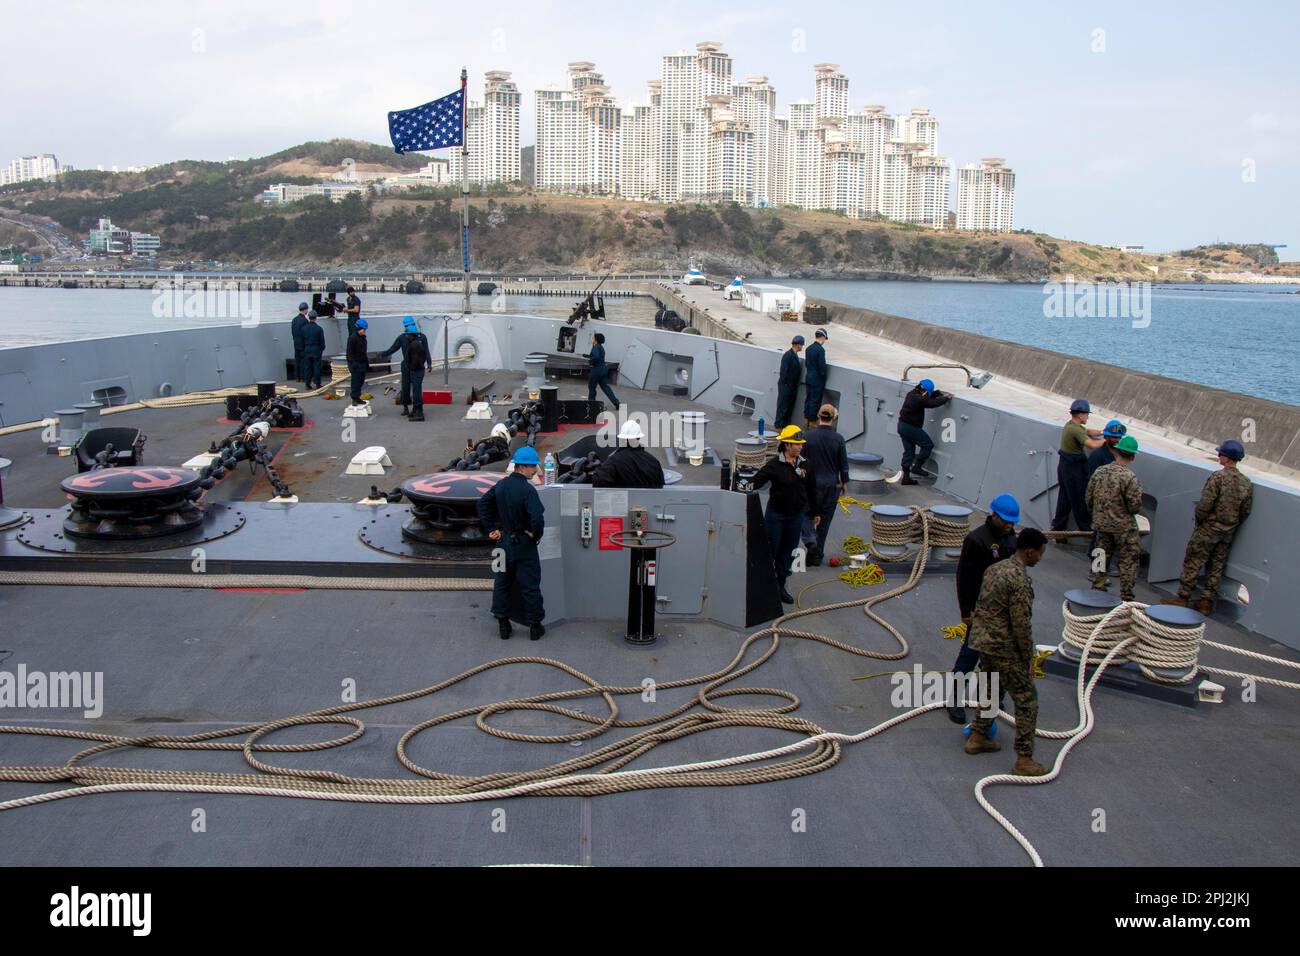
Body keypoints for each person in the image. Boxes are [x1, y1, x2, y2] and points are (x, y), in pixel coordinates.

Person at [964, 527, 1050, 777]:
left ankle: (978, 736)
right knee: (1026, 699)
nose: (1040, 558)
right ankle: (1024, 759)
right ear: (1030, 552)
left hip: (983, 642)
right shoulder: (1019, 580)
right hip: (1004, 647)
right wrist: (1028, 659)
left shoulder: (995, 568)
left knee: (992, 687)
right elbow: (1021, 624)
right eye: (1040, 553)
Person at [946, 493, 1020, 724]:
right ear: (994, 515)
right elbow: (964, 578)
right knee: (970, 654)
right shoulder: (976, 540)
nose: (1009, 525)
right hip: (981, 610)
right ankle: (955, 699)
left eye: (1012, 522)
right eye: (1005, 520)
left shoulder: (1011, 539)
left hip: (1004, 610)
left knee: (998, 656)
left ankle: (991, 695)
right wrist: (966, 611)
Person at [1164, 439, 1253, 615]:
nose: (1218, 456)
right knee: (1216, 566)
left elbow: (1205, 504)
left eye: (1220, 453)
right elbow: (1245, 510)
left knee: (1194, 560)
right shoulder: (1246, 482)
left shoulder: (1218, 477)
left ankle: (1182, 598)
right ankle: (1206, 602)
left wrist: (1201, 520)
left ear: (1226, 458)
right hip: (1228, 532)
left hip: (1209, 528)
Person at [477, 446, 547, 641]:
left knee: (501, 583)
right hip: (524, 545)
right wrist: (535, 535)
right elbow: (537, 518)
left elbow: (482, 504)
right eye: (533, 466)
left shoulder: (501, 486)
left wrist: (491, 528)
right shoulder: (528, 490)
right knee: (530, 585)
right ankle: (535, 626)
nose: (535, 470)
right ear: (523, 467)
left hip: (502, 543)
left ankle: (503, 624)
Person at [751, 425, 819, 605]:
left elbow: (811, 489)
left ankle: (780, 586)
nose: (800, 447)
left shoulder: (805, 464)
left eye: (801, 444)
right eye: (796, 444)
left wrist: (815, 512)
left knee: (787, 553)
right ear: (786, 445)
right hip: (776, 516)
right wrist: (742, 480)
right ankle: (763, 587)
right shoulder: (774, 465)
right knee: (769, 550)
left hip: (796, 517)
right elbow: (756, 482)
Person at [1085, 435, 1143, 602]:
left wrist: (1098, 516)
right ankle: (1126, 596)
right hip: (1123, 527)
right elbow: (1134, 506)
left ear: (1117, 451)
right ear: (1132, 456)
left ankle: (1097, 586)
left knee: (1100, 554)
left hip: (1101, 525)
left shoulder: (1100, 471)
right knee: (1128, 560)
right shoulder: (1130, 478)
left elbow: (1089, 497)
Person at [800, 403, 848, 566]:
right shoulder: (838, 439)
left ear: (819, 417)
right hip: (831, 485)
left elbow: (801, 462)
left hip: (811, 485)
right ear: (834, 419)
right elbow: (843, 464)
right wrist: (844, 482)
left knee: (806, 514)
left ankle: (809, 542)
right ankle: (817, 555)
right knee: (825, 520)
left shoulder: (808, 436)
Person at [1051, 399, 1104, 533]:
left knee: (1065, 498)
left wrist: (1104, 432)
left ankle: (1058, 527)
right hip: (1073, 469)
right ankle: (1085, 528)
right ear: (1080, 415)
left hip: (1064, 466)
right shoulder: (1076, 430)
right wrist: (1108, 439)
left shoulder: (1071, 425)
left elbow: (1088, 432)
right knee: (1078, 498)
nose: (1087, 416)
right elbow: (1092, 445)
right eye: (1086, 414)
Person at [897, 379, 952, 485]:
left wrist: (936, 393)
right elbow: (932, 403)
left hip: (902, 426)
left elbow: (926, 399)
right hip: (911, 428)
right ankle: (917, 467)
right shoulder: (919, 399)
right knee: (927, 445)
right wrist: (946, 398)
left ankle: (906, 478)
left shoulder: (911, 394)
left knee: (909, 453)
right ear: (925, 391)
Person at [381, 316, 432, 417]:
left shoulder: (407, 337)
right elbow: (426, 351)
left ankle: (411, 408)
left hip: (412, 366)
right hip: (411, 366)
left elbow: (393, 348)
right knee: (409, 387)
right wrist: (429, 363)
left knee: (409, 387)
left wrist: (383, 354)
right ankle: (409, 407)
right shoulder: (420, 337)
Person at [592, 420, 665, 488]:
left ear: (622, 439)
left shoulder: (614, 461)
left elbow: (598, 481)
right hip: (648, 500)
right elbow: (660, 485)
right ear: (639, 437)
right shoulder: (653, 461)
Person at [775, 335, 804, 429]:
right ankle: (779, 427)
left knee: (788, 408)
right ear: (798, 345)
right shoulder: (788, 355)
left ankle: (785, 427)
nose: (802, 347)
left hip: (791, 387)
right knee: (782, 408)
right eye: (801, 345)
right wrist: (787, 386)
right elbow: (783, 373)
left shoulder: (793, 355)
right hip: (786, 387)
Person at [802, 329, 829, 426]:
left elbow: (807, 364)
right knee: (815, 401)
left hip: (809, 377)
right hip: (817, 380)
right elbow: (822, 367)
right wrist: (823, 376)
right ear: (822, 337)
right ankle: (813, 421)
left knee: (808, 399)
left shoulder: (808, 348)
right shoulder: (820, 350)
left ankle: (807, 420)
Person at [587, 332, 620, 409]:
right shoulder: (601, 347)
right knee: (605, 387)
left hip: (596, 370)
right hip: (603, 369)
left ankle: (591, 404)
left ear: (596, 340)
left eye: (593, 338)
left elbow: (596, 357)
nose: (592, 339)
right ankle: (616, 402)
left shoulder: (595, 347)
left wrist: (590, 362)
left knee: (592, 387)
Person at [405, 330, 432, 422]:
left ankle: (418, 411)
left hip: (416, 370)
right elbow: (425, 353)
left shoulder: (414, 345)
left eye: (407, 335)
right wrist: (428, 363)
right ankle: (417, 410)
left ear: (411, 335)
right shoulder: (418, 344)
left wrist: (411, 368)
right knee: (417, 390)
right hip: (419, 369)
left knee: (416, 391)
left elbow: (414, 359)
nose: (407, 337)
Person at [345, 318, 369, 407]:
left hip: (362, 362)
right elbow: (349, 353)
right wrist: (353, 363)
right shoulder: (352, 338)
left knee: (361, 380)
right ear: (358, 329)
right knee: (355, 381)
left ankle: (358, 396)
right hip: (355, 364)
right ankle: (354, 397)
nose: (364, 331)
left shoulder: (363, 338)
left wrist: (366, 362)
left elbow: (364, 352)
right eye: (364, 330)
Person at [300, 310, 326, 390]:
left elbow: (302, 340)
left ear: (309, 317)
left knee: (307, 367)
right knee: (317, 366)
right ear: (316, 318)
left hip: (307, 349)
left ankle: (307, 384)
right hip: (316, 349)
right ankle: (317, 383)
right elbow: (322, 341)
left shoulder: (303, 328)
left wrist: (304, 348)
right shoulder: (319, 329)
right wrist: (322, 348)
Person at [290, 302, 310, 384]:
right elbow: (306, 333)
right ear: (305, 310)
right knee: (303, 361)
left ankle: (297, 377)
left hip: (296, 342)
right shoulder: (304, 320)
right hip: (303, 343)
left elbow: (293, 331)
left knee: (297, 360)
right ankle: (302, 377)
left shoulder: (294, 319)